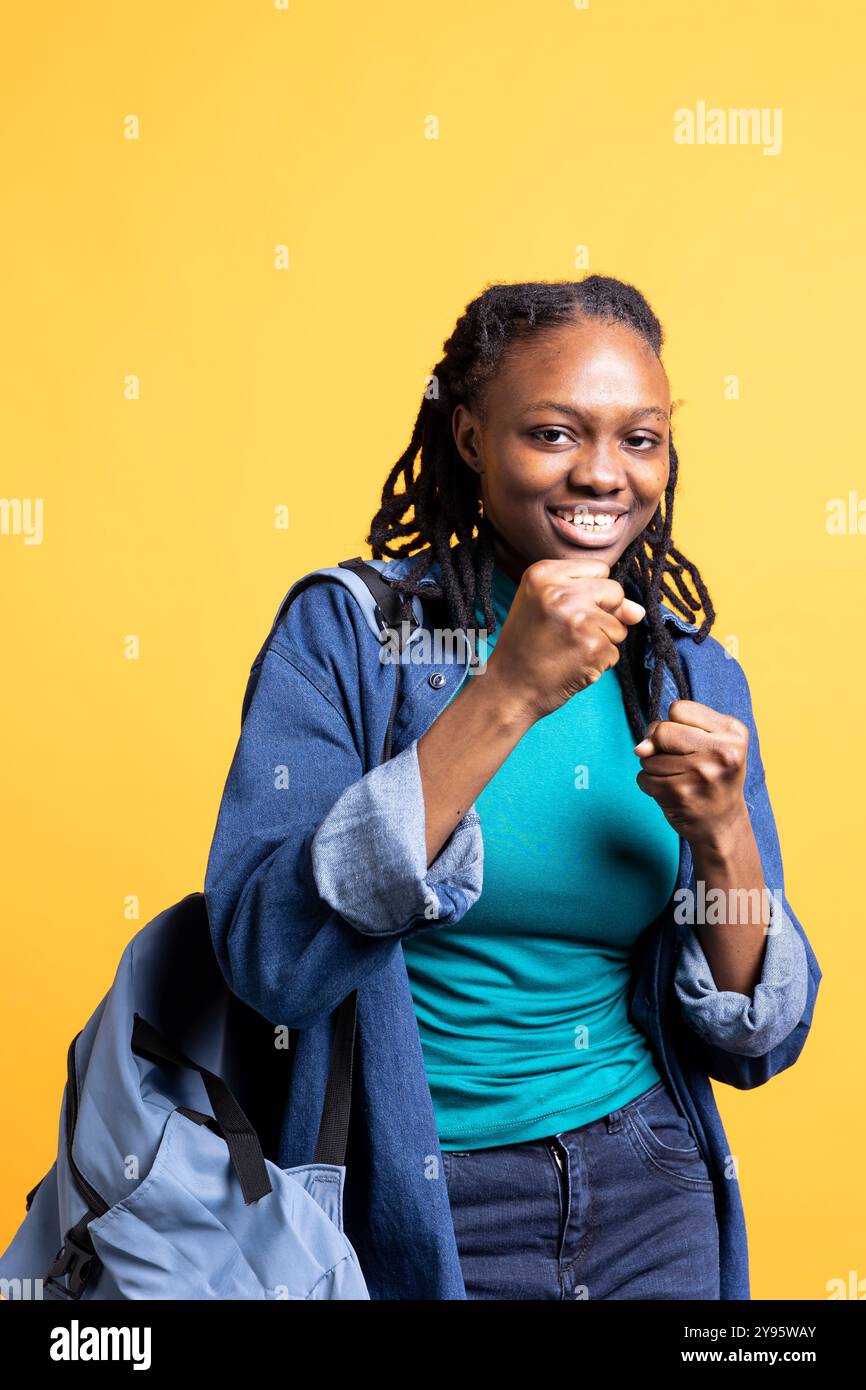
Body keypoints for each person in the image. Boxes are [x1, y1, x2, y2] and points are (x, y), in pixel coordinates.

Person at [204, 276, 821, 1300]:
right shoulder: (351, 638)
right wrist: (504, 694)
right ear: (467, 438)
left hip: (648, 1184)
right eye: (551, 433)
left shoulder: (686, 670)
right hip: (418, 1196)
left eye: (639, 438)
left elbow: (753, 1040)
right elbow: (272, 956)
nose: (601, 473)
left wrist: (722, 836)